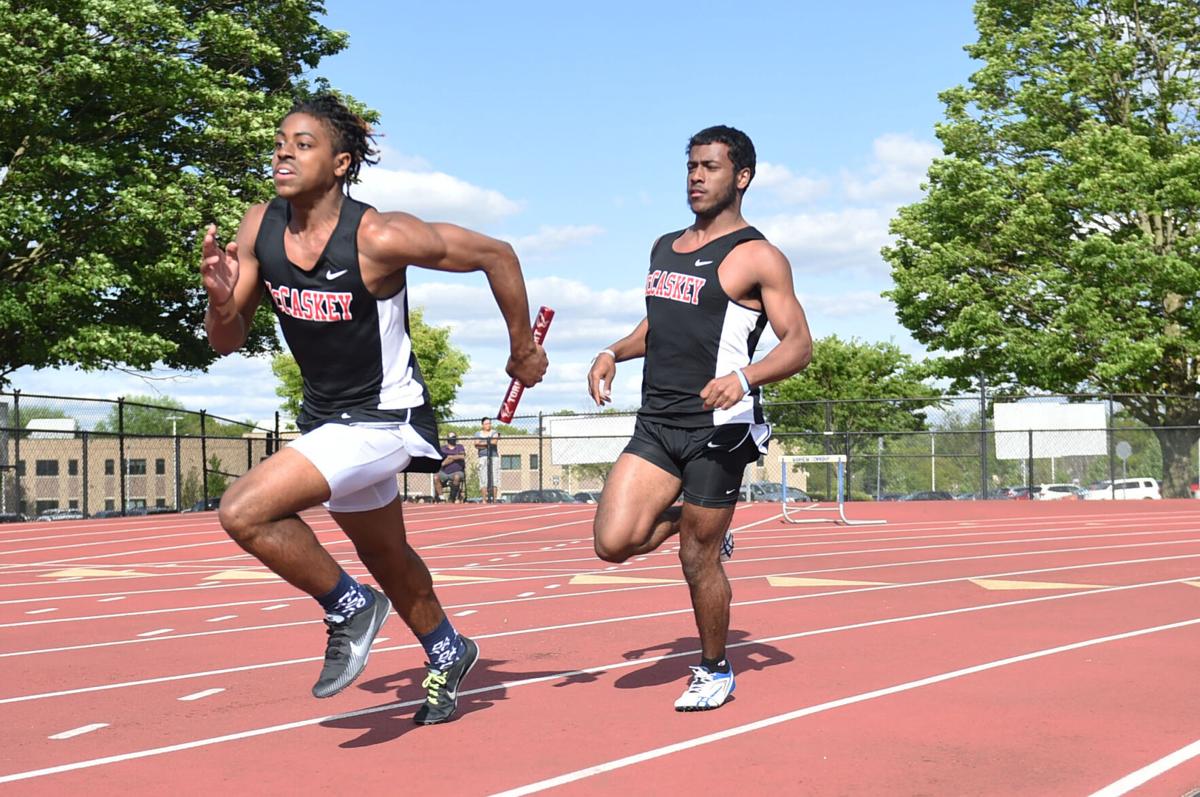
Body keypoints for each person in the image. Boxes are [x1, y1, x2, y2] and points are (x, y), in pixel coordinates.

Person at [200, 94, 546, 725]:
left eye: (303, 144)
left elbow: (498, 253)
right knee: (387, 558)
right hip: (327, 421)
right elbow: (225, 339)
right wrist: (222, 302)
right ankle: (448, 649)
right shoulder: (259, 228)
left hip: (388, 421)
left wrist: (522, 349)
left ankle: (348, 608)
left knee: (243, 510)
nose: (283, 151)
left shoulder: (381, 235)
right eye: (280, 141)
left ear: (340, 163)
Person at [587, 125, 812, 711]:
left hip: (722, 428)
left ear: (741, 177)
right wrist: (613, 351)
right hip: (658, 420)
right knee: (613, 544)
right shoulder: (664, 246)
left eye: (709, 167)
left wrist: (743, 378)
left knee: (696, 557)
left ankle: (714, 668)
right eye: (691, 166)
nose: (695, 176)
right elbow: (657, 324)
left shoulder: (757, 256)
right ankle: (701, 517)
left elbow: (798, 345)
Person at [474, 417, 500, 502]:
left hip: (493, 457)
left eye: (489, 423)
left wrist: (482, 443)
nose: (488, 425)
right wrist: (488, 442)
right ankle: (484, 500)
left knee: (495, 478)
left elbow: (494, 442)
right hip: (483, 457)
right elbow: (476, 445)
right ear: (482, 425)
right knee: (483, 478)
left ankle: (495, 500)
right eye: (486, 423)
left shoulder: (494, 432)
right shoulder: (478, 433)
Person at [434, 432, 466, 503]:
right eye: (451, 437)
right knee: (436, 477)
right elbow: (440, 462)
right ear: (448, 438)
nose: (453, 439)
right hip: (444, 472)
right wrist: (446, 461)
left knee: (457, 477)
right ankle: (442, 498)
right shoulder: (443, 448)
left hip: (457, 471)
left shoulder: (459, 447)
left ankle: (451, 498)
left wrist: (451, 457)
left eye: (454, 437)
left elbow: (462, 456)